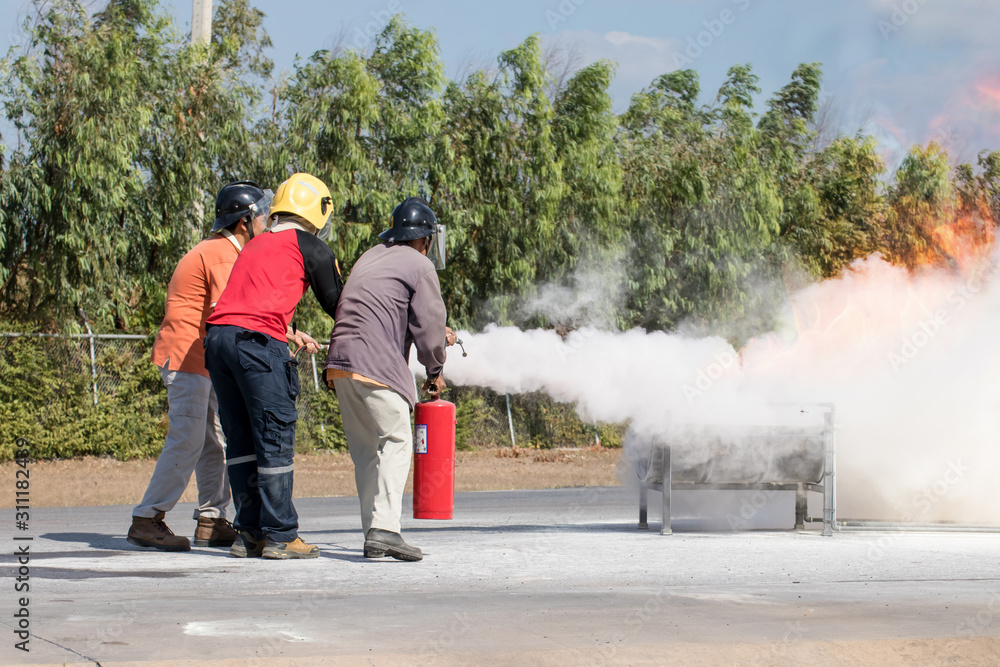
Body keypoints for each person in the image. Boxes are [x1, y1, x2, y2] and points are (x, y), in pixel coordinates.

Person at [204, 172, 342, 560]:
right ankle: (282, 534)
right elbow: (339, 307)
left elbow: (255, 295)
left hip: (218, 341)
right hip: (256, 345)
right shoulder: (312, 247)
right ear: (318, 210)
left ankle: (249, 534)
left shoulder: (256, 243)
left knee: (242, 440)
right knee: (275, 437)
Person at [128, 181, 272, 552]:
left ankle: (212, 520)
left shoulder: (223, 250)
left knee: (213, 443)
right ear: (244, 221)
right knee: (188, 439)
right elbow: (238, 311)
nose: (267, 223)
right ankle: (148, 518)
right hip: (187, 358)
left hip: (199, 361)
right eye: (262, 216)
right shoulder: (224, 254)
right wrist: (285, 333)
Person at [325, 196, 456, 562]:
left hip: (341, 362)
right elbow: (429, 323)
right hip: (376, 364)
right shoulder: (419, 264)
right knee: (397, 439)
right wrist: (435, 371)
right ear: (425, 239)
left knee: (367, 452)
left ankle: (375, 531)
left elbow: (385, 312)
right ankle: (385, 530)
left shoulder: (371, 255)